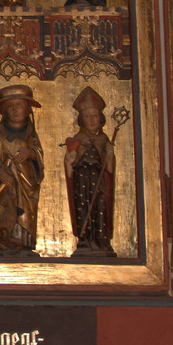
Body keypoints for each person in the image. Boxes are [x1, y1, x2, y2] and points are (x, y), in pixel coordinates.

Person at [0, 84, 43, 255]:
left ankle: (25, 243)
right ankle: (9, 240)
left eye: (19, 105)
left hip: (27, 185)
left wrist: (30, 153)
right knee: (9, 211)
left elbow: (39, 156)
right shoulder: (1, 137)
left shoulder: (31, 135)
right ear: (4, 111)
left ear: (27, 109)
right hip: (9, 185)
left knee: (27, 212)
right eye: (10, 106)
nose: (15, 110)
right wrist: (0, 173)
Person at [64, 87, 117, 255]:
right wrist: (70, 158)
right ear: (81, 119)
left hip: (99, 181)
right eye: (87, 116)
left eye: (95, 116)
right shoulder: (78, 138)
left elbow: (109, 168)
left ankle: (101, 239)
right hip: (81, 180)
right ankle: (85, 239)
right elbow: (70, 165)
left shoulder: (103, 139)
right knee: (83, 206)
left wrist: (109, 155)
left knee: (100, 206)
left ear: (101, 118)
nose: (92, 120)